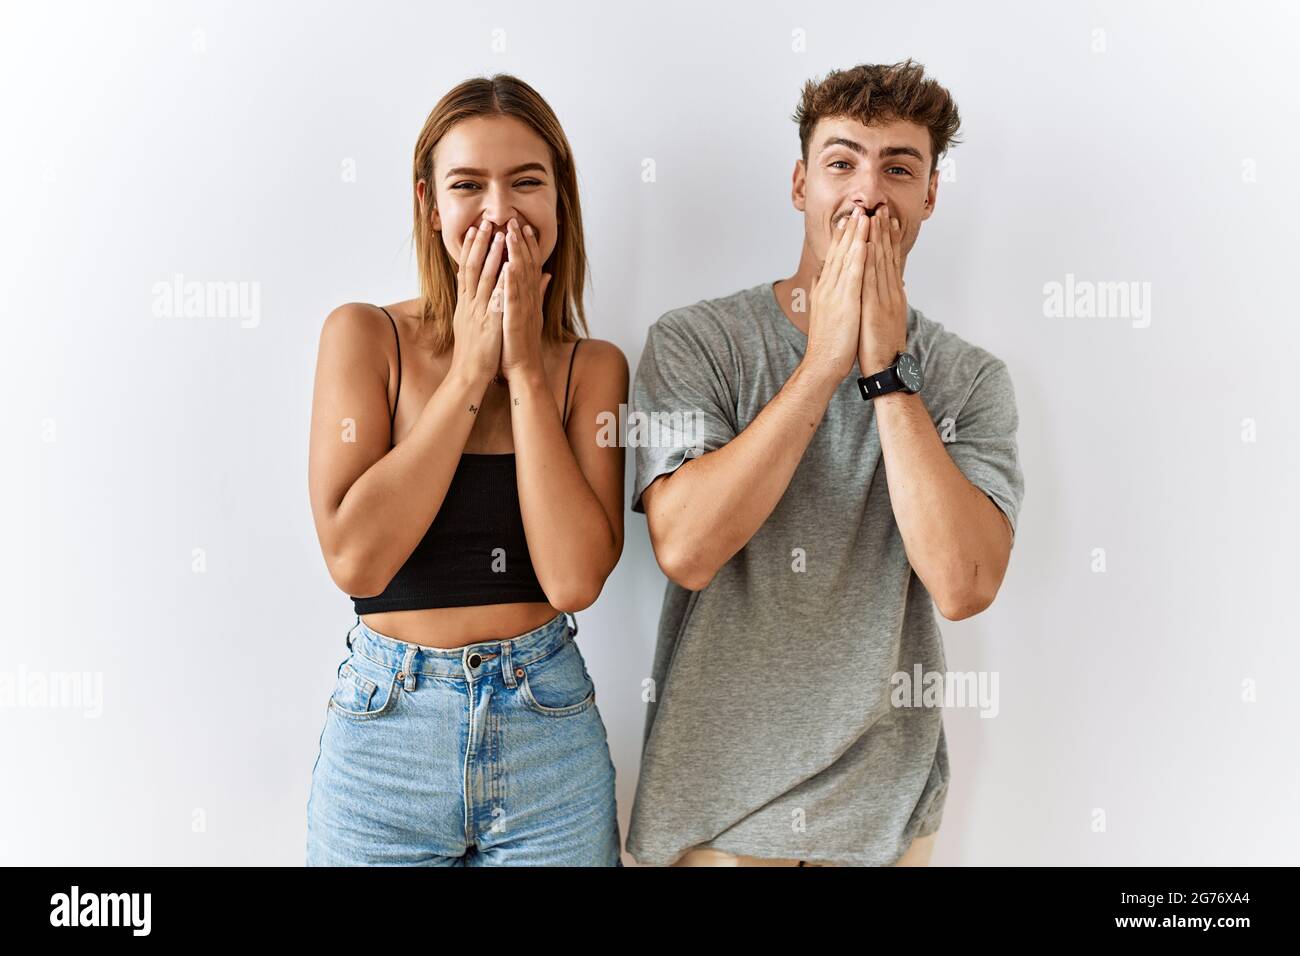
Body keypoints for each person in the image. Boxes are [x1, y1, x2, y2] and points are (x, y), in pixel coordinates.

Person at [625, 59, 1025, 867]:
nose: (869, 192)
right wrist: (821, 366)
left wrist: (883, 375)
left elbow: (964, 583)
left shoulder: (971, 379)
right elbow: (688, 549)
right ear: (802, 183)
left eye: (899, 168)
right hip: (715, 819)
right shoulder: (696, 341)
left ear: (931, 196)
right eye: (843, 162)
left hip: (883, 826)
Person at [305, 73, 629, 866]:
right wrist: (466, 372)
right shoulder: (364, 336)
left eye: (526, 182)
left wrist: (520, 372)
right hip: (386, 739)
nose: (498, 210)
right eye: (467, 185)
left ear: (560, 200)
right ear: (429, 203)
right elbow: (356, 558)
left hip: (545, 734)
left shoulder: (592, 368)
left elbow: (575, 580)